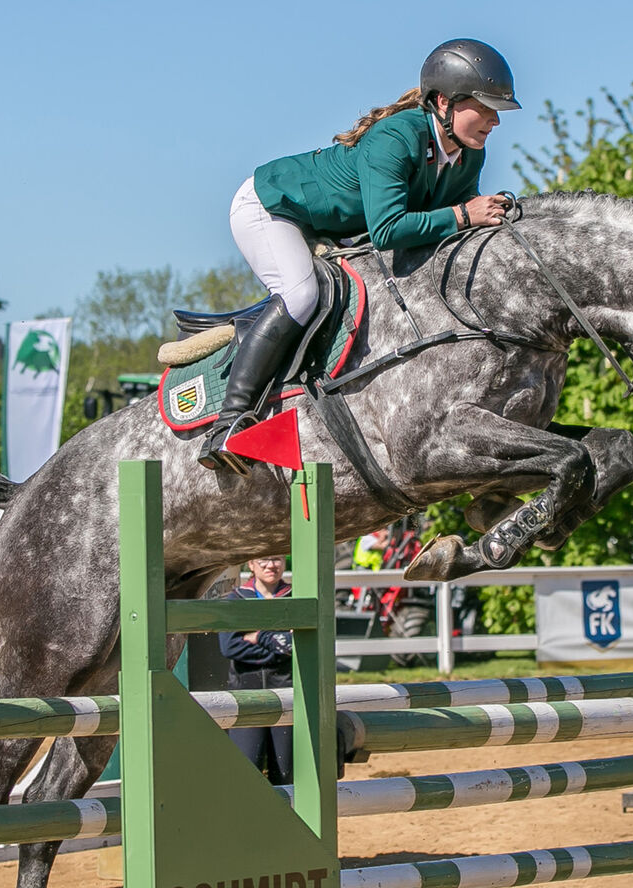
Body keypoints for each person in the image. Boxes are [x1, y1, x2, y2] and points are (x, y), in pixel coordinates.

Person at [199, 38, 522, 473]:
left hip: (334, 228)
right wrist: (466, 214)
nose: (494, 120)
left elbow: (445, 233)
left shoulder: (468, 155)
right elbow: (389, 230)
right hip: (271, 206)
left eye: (496, 110)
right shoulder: (396, 137)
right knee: (300, 296)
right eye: (484, 107)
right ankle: (229, 423)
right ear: (444, 102)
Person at [218, 556, 295, 781]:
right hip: (246, 695)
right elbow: (230, 647)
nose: (271, 565)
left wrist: (256, 636)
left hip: (287, 693)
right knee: (246, 771)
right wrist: (276, 644)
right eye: (264, 560)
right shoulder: (236, 599)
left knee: (285, 771)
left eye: (277, 559)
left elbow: (295, 645)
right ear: (250, 564)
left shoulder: (294, 597)